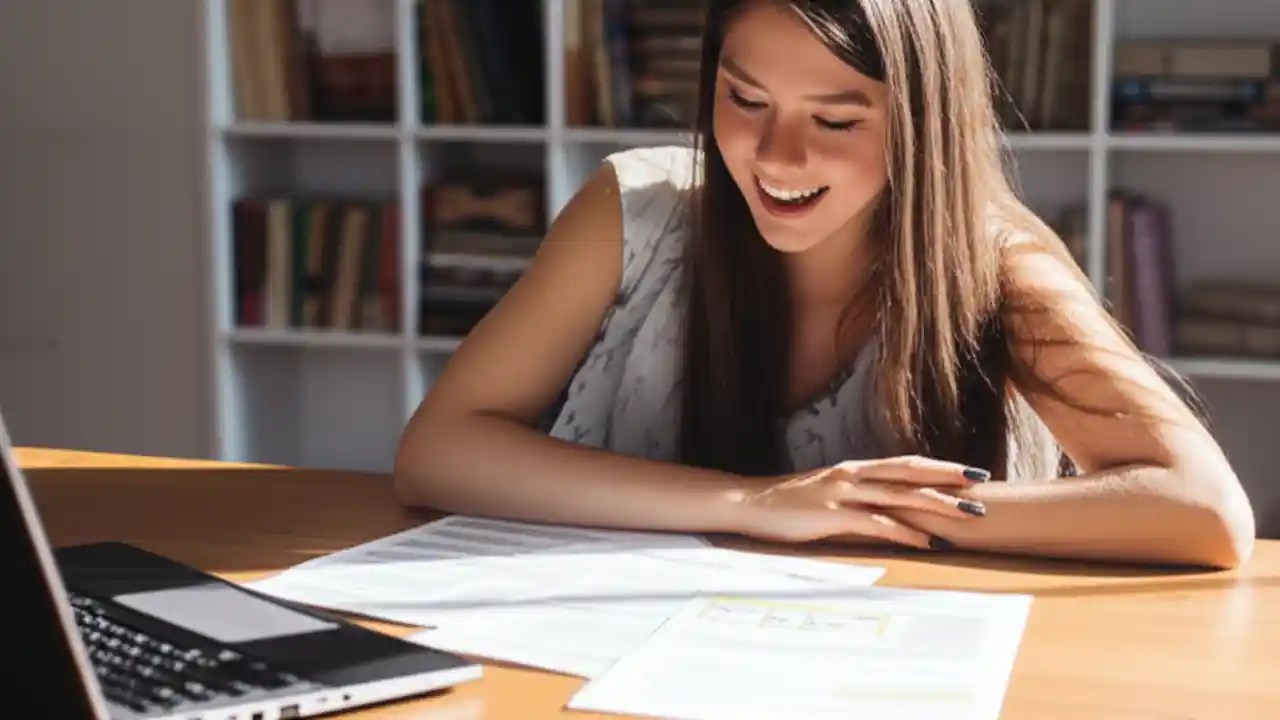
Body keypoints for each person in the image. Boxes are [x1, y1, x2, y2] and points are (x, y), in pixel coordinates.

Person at [394, 0, 1255, 568]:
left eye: (835, 120)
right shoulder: (636, 214)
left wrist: (865, 510)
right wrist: (756, 504)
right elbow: (436, 451)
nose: (777, 157)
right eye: (745, 100)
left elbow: (1205, 511)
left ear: (924, 126)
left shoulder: (997, 262)